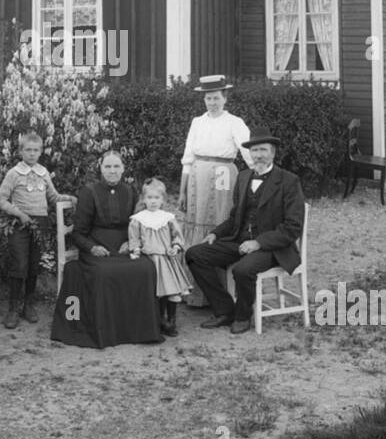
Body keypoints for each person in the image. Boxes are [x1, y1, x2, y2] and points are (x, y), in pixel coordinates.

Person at [185, 128, 305, 335]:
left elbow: (293, 226)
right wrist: (216, 233)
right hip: (240, 240)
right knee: (195, 255)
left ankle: (242, 315)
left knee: (242, 269)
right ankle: (225, 310)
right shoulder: (243, 177)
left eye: (263, 150)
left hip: (272, 248)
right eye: (254, 150)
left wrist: (259, 243)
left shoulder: (289, 181)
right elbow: (234, 217)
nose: (258, 155)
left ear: (273, 153)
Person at [50, 151, 161, 348]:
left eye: (116, 167)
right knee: (105, 272)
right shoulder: (89, 191)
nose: (112, 171)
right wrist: (92, 248)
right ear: (101, 169)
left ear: (123, 169)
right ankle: (108, 331)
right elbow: (78, 233)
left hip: (124, 248)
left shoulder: (130, 191)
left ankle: (139, 330)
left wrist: (131, 241)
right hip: (96, 248)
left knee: (146, 267)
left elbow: (136, 223)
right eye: (108, 167)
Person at [178, 75, 253, 307]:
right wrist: (182, 190)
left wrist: (257, 181)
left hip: (223, 175)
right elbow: (188, 158)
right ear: (204, 99)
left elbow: (249, 154)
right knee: (195, 223)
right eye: (208, 98)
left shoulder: (234, 122)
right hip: (197, 176)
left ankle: (221, 292)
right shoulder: (197, 122)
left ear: (225, 98)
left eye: (216, 98)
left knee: (218, 222)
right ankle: (196, 293)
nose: (212, 102)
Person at [0, 131, 61, 329]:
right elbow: (0, 200)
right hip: (20, 224)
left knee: (33, 265)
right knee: (20, 264)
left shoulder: (44, 173)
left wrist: (70, 199)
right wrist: (19, 214)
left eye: (36, 150)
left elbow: (53, 197)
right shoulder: (14, 173)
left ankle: (28, 306)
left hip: (40, 224)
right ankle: (13, 309)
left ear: (41, 152)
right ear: (21, 151)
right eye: (28, 150)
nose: (32, 154)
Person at [128, 178, 190, 337]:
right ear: (144, 199)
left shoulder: (167, 218)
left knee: (171, 292)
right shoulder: (138, 219)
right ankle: (158, 319)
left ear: (162, 199)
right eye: (149, 198)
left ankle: (171, 321)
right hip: (149, 260)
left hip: (166, 260)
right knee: (156, 291)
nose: (153, 201)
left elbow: (177, 235)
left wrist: (176, 247)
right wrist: (135, 250)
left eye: (157, 198)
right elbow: (134, 238)